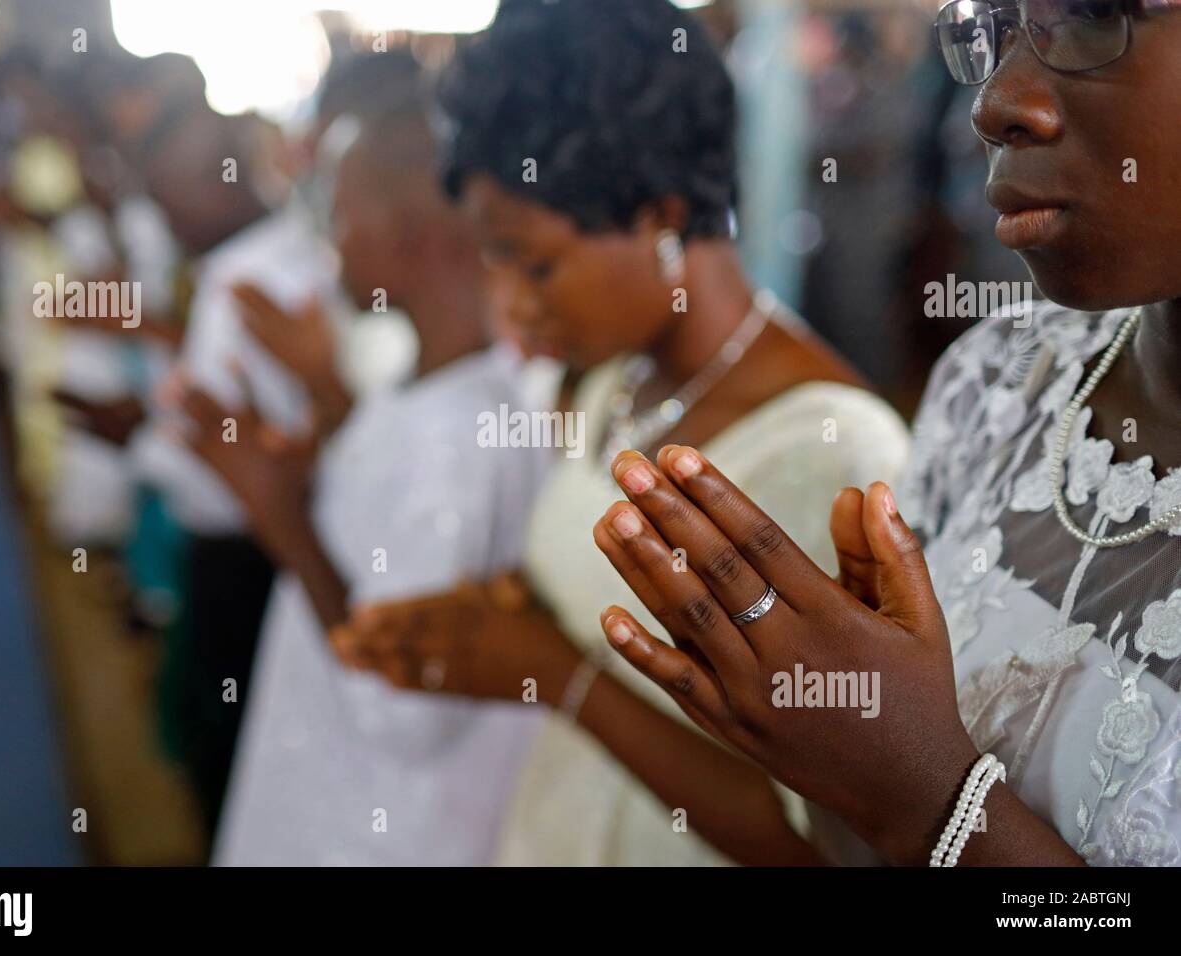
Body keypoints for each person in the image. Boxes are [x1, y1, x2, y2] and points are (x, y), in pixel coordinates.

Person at [580, 0, 1181, 866]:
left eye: (1088, 12)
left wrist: (921, 795)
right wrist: (833, 747)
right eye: (994, 26)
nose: (991, 103)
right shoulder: (999, 382)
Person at [333, 0, 907, 866]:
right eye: (495, 262)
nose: (516, 306)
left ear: (663, 217)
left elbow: (830, 840)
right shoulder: (615, 379)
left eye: (535, 263)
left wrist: (558, 678)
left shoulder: (835, 453)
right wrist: (489, 619)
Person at [178, 86, 553, 866]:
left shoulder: (464, 438)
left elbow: (403, 709)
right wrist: (314, 450)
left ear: (413, 239)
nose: (331, 245)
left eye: (342, 216)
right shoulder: (418, 384)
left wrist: (283, 522)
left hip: (384, 827)